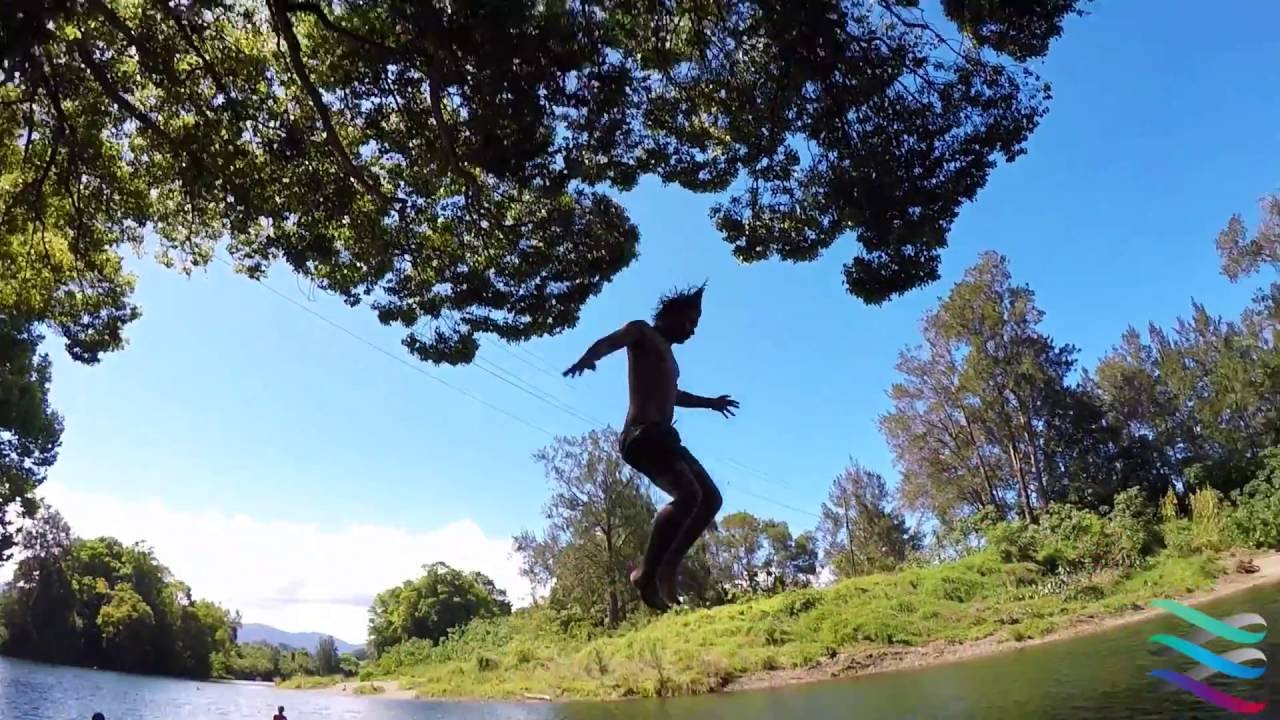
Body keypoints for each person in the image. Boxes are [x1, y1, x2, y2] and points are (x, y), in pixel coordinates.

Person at [564, 283, 737, 611]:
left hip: (664, 437)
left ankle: (669, 565)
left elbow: (675, 395)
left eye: (696, 324)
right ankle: (647, 574)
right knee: (688, 496)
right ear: (671, 315)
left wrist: (710, 403)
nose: (692, 330)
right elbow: (612, 341)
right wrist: (589, 356)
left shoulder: (670, 359)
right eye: (689, 322)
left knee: (710, 498)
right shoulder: (643, 332)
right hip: (641, 436)